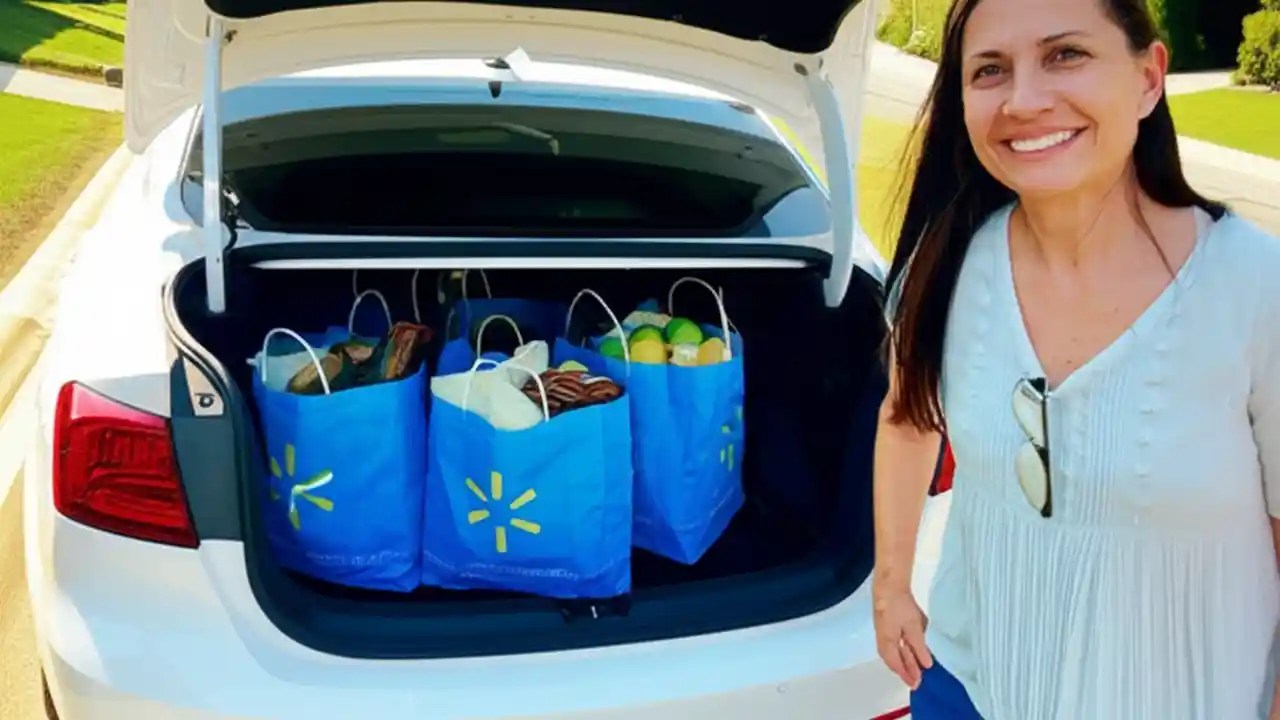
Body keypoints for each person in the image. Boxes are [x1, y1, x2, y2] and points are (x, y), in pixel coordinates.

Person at [872, 0, 1280, 717]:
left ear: (1150, 78)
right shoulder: (946, 264)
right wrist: (891, 585)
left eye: (1066, 54)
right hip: (968, 688)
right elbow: (907, 418)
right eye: (990, 70)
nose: (1024, 100)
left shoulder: (1254, 286)